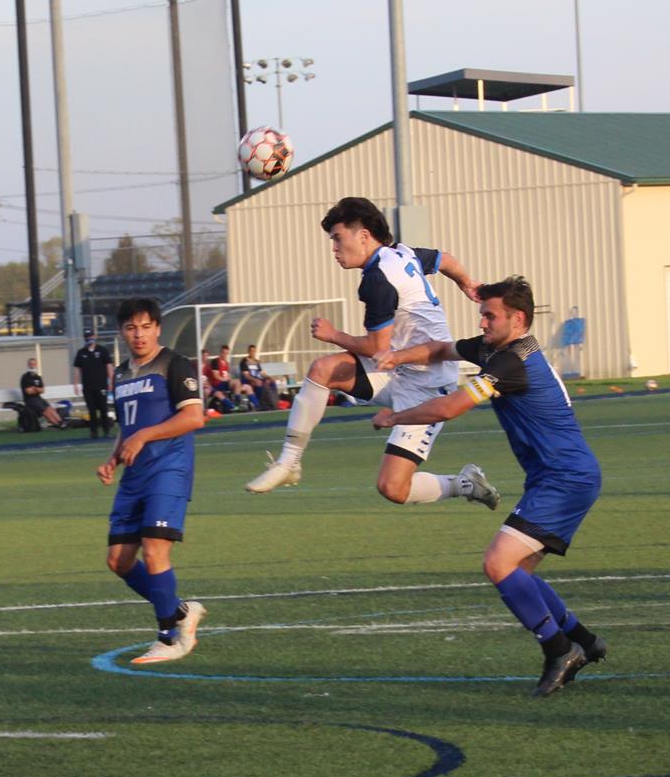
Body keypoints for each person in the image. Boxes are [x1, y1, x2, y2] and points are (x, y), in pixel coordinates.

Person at [371, 276, 607, 697]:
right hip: (558, 476)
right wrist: (397, 356)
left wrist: (393, 418)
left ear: (517, 319)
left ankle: (559, 650)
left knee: (498, 564)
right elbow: (442, 350)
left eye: (490, 315)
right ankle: (585, 643)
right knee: (518, 574)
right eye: (482, 314)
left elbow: (450, 407)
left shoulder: (511, 362)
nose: (482, 321)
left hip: (565, 478)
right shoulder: (495, 350)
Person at [246, 195, 498, 513]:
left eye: (338, 238)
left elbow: (378, 347)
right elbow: (443, 259)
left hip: (429, 386)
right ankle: (288, 463)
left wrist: (333, 335)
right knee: (322, 370)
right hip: (398, 369)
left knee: (393, 488)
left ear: (364, 235)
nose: (334, 249)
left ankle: (465, 484)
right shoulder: (401, 253)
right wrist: (466, 281)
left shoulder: (378, 279)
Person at [98, 297, 207, 664]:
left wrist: (144, 437)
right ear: (122, 332)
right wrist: (114, 457)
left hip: (169, 469)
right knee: (118, 560)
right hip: (135, 475)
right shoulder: (121, 373)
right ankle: (180, 611)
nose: (139, 334)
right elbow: (128, 427)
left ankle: (168, 636)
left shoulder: (175, 365)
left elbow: (194, 418)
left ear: (157, 328)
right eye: (131, 327)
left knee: (154, 548)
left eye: (145, 327)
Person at [72, 329, 115, 439]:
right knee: (91, 410)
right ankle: (94, 432)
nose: (89, 339)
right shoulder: (81, 353)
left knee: (103, 409)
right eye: (87, 337)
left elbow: (109, 367)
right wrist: (76, 384)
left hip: (101, 385)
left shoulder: (102, 350)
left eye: (90, 336)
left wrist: (111, 381)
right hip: (88, 386)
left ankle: (106, 430)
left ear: (94, 336)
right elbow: (77, 369)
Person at [18, 356, 64, 431]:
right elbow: (28, 391)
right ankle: (57, 424)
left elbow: (42, 390)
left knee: (50, 409)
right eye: (30, 364)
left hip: (38, 398)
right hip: (30, 400)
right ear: (28, 365)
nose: (32, 366)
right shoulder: (25, 377)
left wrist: (34, 388)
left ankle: (61, 422)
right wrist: (37, 389)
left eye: (33, 364)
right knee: (45, 411)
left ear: (36, 365)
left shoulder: (38, 377)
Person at [204, 346, 249, 413]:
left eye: (226, 353)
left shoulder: (226, 363)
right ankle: (237, 403)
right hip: (217, 383)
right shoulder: (216, 361)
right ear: (221, 352)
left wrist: (229, 379)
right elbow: (215, 375)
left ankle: (238, 403)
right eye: (223, 353)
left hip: (224, 383)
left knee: (238, 383)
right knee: (236, 382)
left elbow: (228, 375)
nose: (225, 355)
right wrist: (224, 380)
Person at [239, 344, 280, 410]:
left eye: (254, 351)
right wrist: (254, 380)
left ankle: (274, 402)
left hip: (259, 379)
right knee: (259, 384)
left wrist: (269, 377)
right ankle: (261, 404)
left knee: (271, 383)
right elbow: (246, 375)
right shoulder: (244, 361)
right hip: (250, 380)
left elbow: (262, 373)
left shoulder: (257, 362)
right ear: (248, 352)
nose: (253, 353)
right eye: (251, 351)